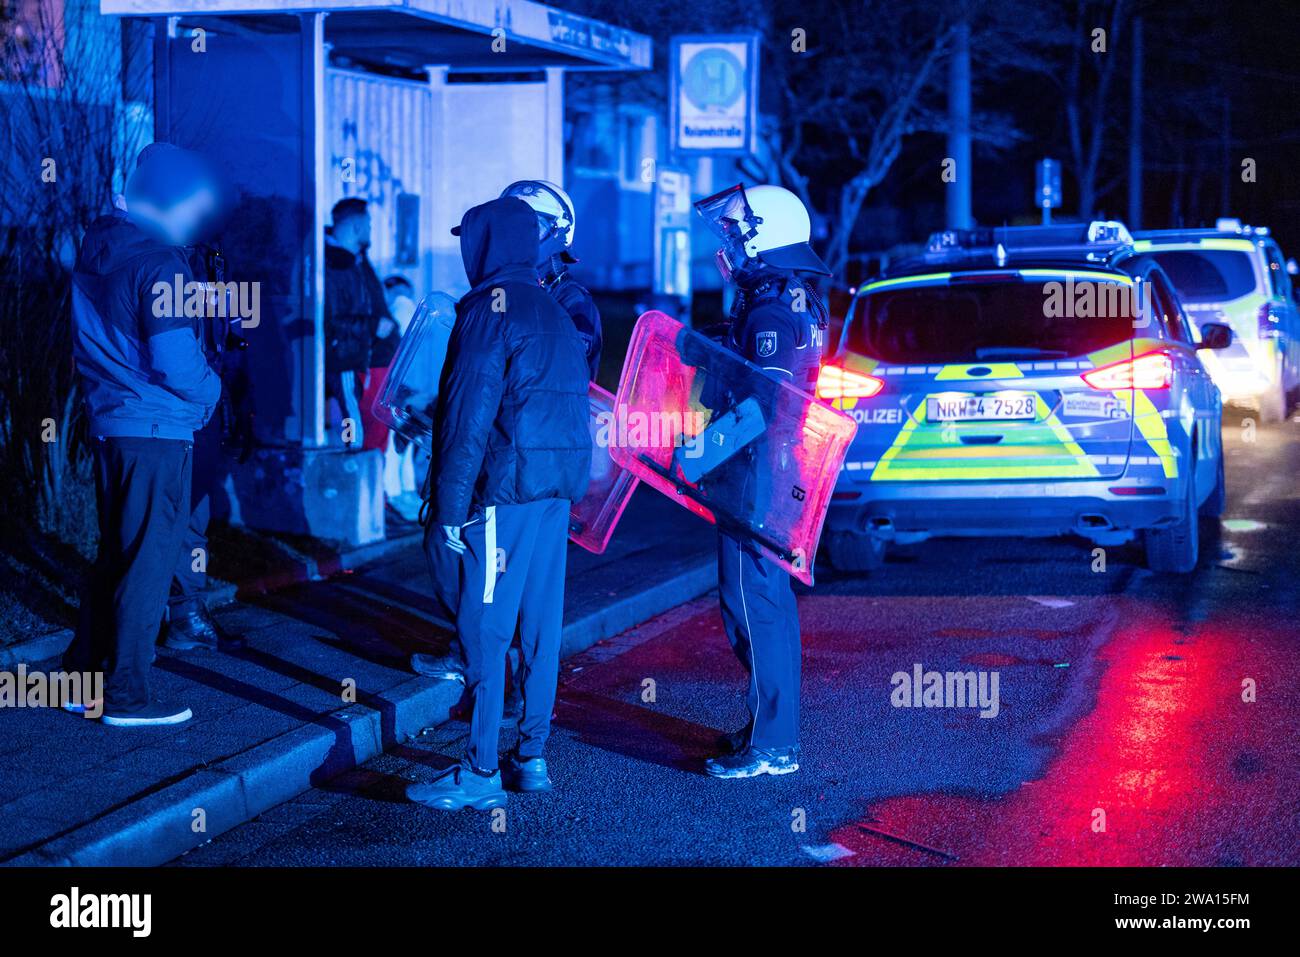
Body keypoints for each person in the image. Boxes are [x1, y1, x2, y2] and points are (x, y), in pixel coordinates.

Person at [406, 196, 591, 810]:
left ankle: (480, 770)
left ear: (484, 244)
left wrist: (449, 510)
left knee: (485, 628)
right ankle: (531, 756)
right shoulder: (554, 307)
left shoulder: (487, 310)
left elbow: (468, 421)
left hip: (504, 493)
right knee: (540, 627)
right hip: (554, 489)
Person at [62, 143, 223, 726]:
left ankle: (84, 679)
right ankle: (127, 694)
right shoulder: (161, 264)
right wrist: (212, 393)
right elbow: (176, 362)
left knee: (116, 556)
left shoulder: (98, 249)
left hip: (110, 422)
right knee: (147, 563)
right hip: (156, 427)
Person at [693, 183, 831, 778]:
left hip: (760, 473)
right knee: (761, 602)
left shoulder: (772, 312)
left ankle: (774, 745)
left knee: (753, 604)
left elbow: (766, 406)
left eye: (735, 232)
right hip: (773, 470)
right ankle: (768, 727)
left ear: (764, 237)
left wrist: (700, 451)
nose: (726, 244)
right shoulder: (786, 299)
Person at [161, 237, 249, 652]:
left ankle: (185, 612)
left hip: (207, 409)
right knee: (175, 513)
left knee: (196, 513)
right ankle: (173, 611)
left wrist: (239, 406)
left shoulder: (212, 260)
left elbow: (229, 340)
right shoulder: (160, 257)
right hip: (178, 411)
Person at [324, 198, 389, 449]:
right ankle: (353, 478)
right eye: (369, 224)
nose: (371, 230)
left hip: (360, 356)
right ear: (356, 226)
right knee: (354, 427)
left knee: (362, 425)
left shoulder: (357, 261)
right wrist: (373, 327)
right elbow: (330, 320)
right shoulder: (333, 265)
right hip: (345, 359)